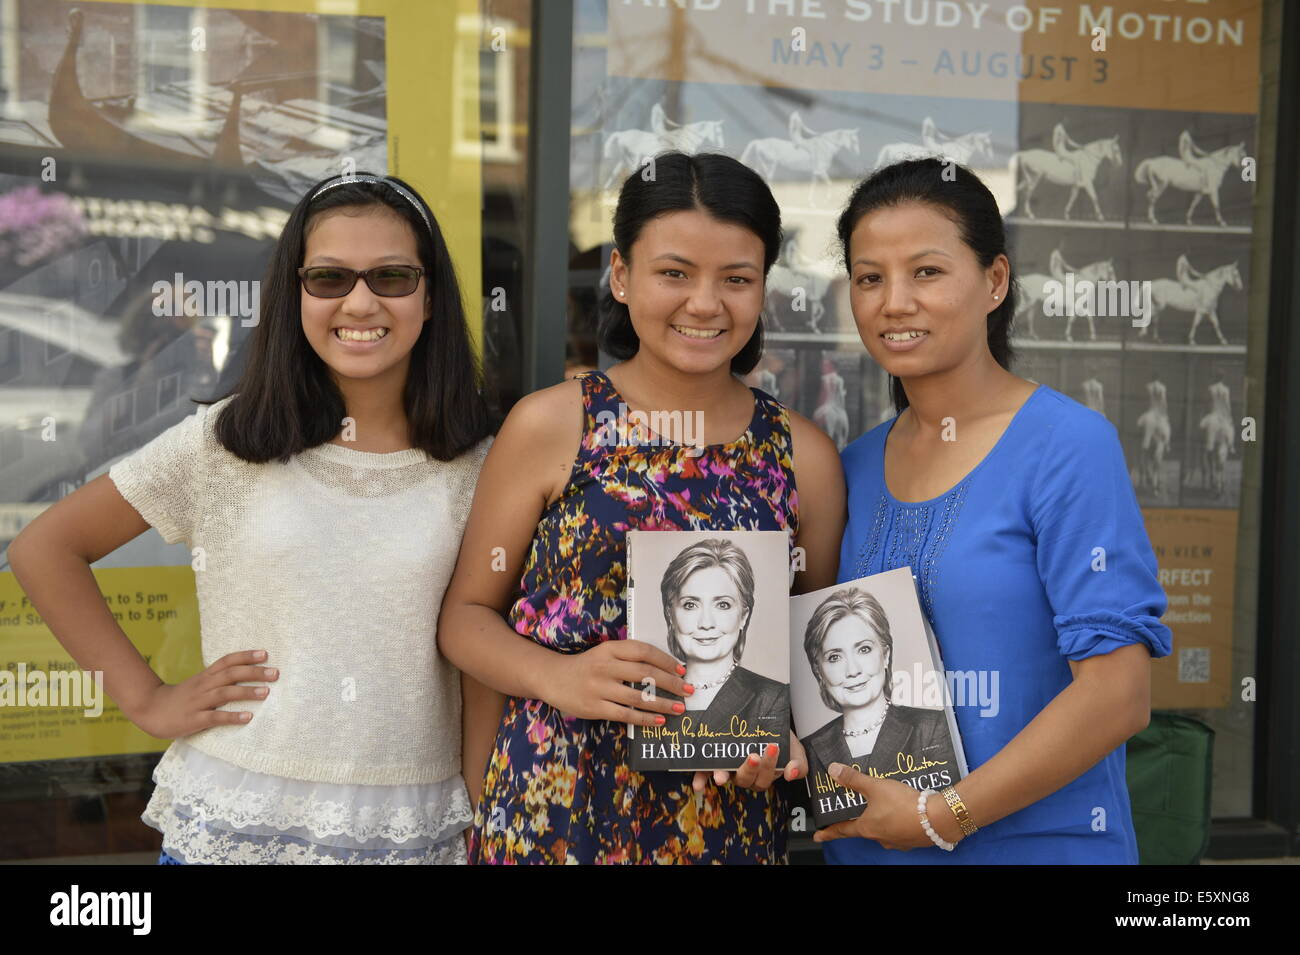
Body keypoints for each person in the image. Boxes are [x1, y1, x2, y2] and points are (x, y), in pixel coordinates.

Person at [8, 172, 494, 864]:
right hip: (235, 826)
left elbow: (483, 661)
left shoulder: (481, 463)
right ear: (294, 294)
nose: (360, 300)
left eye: (391, 276)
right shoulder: (228, 441)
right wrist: (147, 699)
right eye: (329, 278)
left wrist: (480, 820)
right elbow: (45, 548)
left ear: (431, 296)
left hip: (412, 831)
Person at [438, 151, 845, 864]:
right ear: (622, 277)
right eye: (674, 272)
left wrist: (782, 743)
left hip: (724, 830)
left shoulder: (802, 455)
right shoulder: (553, 425)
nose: (704, 303)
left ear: (763, 289)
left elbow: (816, 664)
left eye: (736, 279)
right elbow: (465, 620)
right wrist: (559, 675)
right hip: (550, 818)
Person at [816, 158, 1171, 863]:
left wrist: (940, 815)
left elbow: (1118, 695)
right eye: (869, 277)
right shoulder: (849, 467)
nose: (894, 302)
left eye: (927, 271)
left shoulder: (1067, 446)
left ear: (995, 282)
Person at [800, 587, 955, 785]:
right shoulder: (808, 749)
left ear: (886, 655)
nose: (853, 670)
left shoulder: (932, 728)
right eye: (835, 657)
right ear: (818, 669)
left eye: (864, 649)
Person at [656, 538, 787, 745]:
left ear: (744, 616)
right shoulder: (647, 692)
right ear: (670, 615)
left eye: (723, 605)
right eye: (690, 605)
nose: (706, 623)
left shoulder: (773, 698)